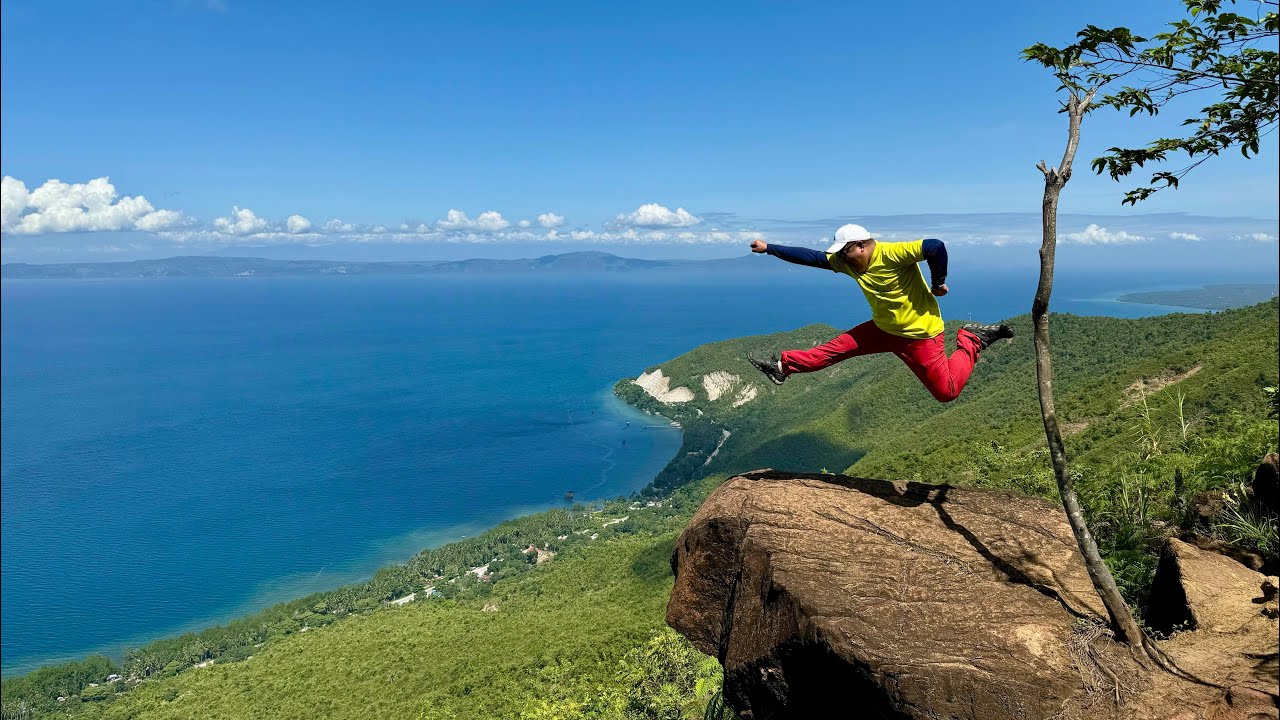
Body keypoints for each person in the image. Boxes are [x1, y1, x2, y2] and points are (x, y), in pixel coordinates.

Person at [745, 223, 1012, 403]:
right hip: (882, 330)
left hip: (920, 336)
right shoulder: (847, 262)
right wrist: (769, 248)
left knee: (947, 392)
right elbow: (810, 257)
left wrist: (937, 283)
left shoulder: (893, 254)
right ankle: (782, 367)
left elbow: (935, 246)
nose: (841, 258)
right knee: (831, 351)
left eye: (845, 252)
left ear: (861, 245)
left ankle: (971, 340)